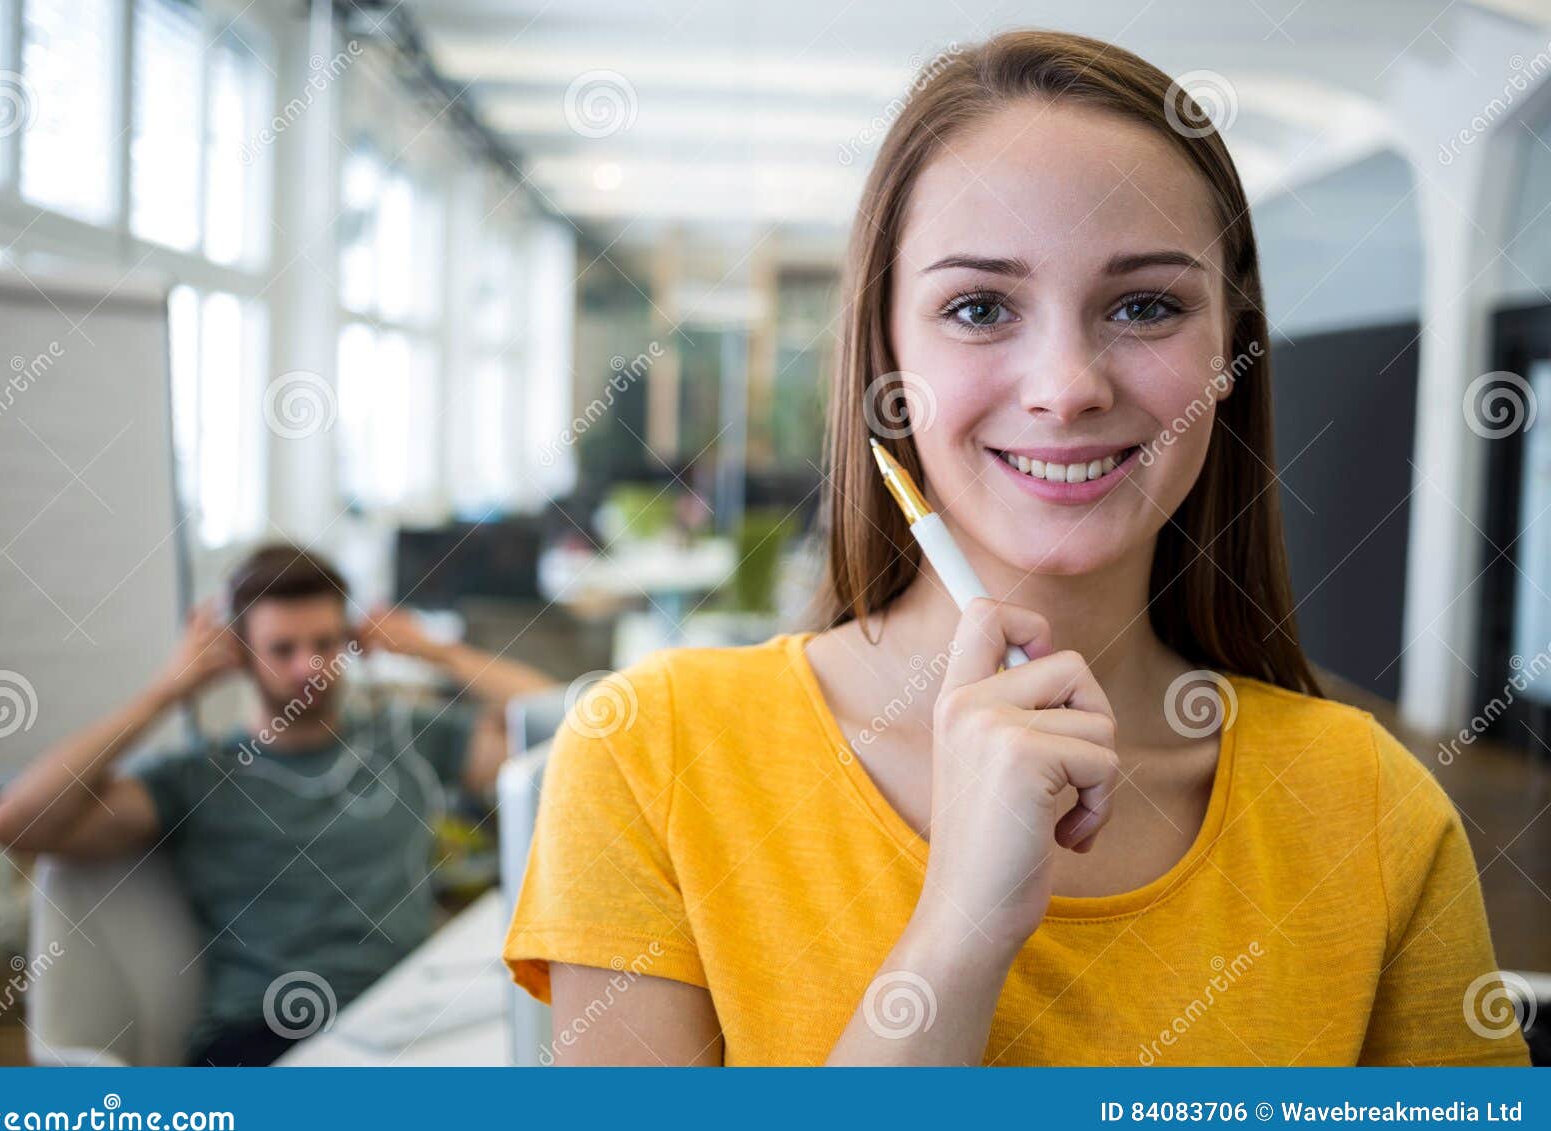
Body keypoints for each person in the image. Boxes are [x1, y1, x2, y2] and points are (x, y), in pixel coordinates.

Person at [502, 29, 1531, 1066]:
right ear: (886, 355)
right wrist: (958, 928)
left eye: (1145, 305)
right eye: (980, 307)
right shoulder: (652, 755)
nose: (1068, 386)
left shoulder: (1371, 804)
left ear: (1229, 350)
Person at [0, 544, 554, 1065]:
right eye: (283, 649)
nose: (309, 667)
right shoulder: (199, 777)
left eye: (325, 644)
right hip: (261, 1044)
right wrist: (168, 690)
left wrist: (438, 653)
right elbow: (15, 821)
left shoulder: (406, 736)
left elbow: (573, 732)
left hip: (405, 1019)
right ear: (240, 654)